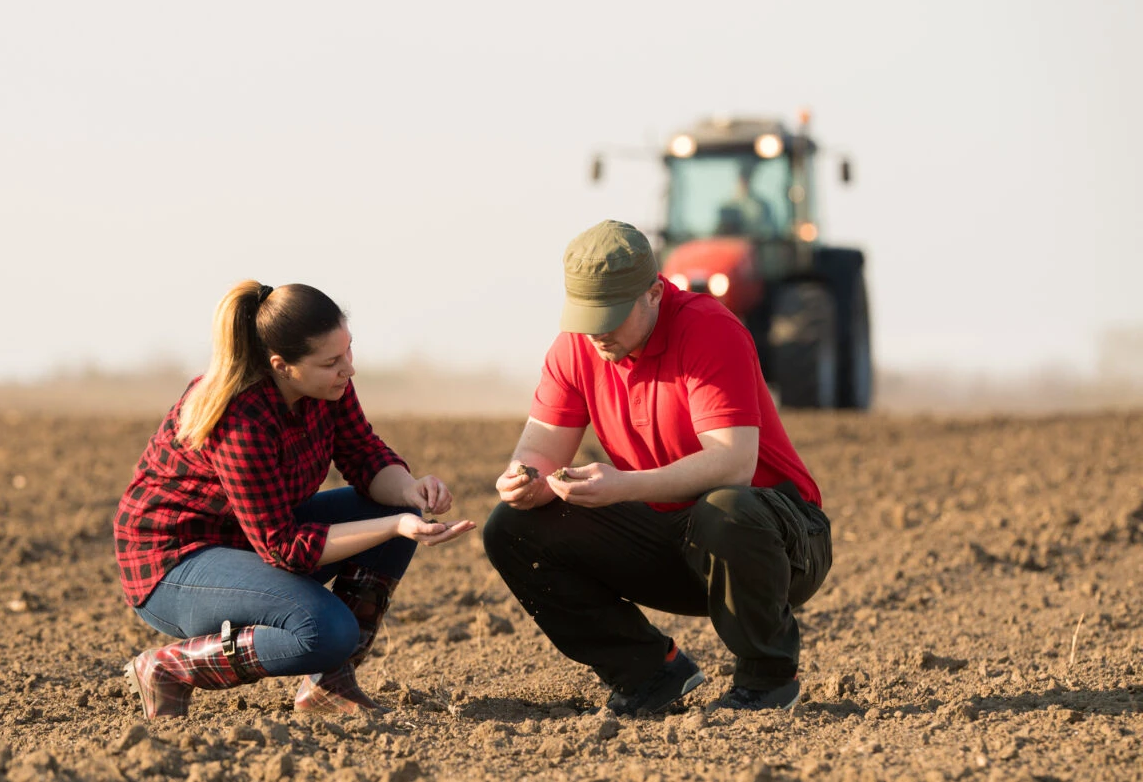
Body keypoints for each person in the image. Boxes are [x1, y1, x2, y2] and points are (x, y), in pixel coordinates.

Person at [483, 220, 832, 714]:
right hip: (677, 539)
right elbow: (539, 451)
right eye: (586, 315)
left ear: (654, 293)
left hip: (780, 542)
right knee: (511, 527)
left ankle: (768, 678)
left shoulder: (709, 328)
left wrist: (624, 486)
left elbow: (733, 462)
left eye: (611, 314)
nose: (598, 331)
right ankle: (650, 672)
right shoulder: (576, 347)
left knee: (726, 508)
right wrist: (523, 481)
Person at [114, 280, 475, 719]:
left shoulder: (326, 387)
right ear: (282, 366)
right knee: (324, 631)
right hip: (175, 564)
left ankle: (330, 686)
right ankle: (169, 668)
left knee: (398, 508)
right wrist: (392, 527)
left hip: (248, 538)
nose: (349, 369)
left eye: (348, 352)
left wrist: (409, 490)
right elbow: (284, 548)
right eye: (331, 362)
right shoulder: (240, 416)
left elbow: (363, 454)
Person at [715, 163, 779, 237]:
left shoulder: (761, 206)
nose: (745, 181)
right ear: (739, 179)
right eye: (743, 177)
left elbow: (770, 232)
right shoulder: (727, 207)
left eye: (747, 177)